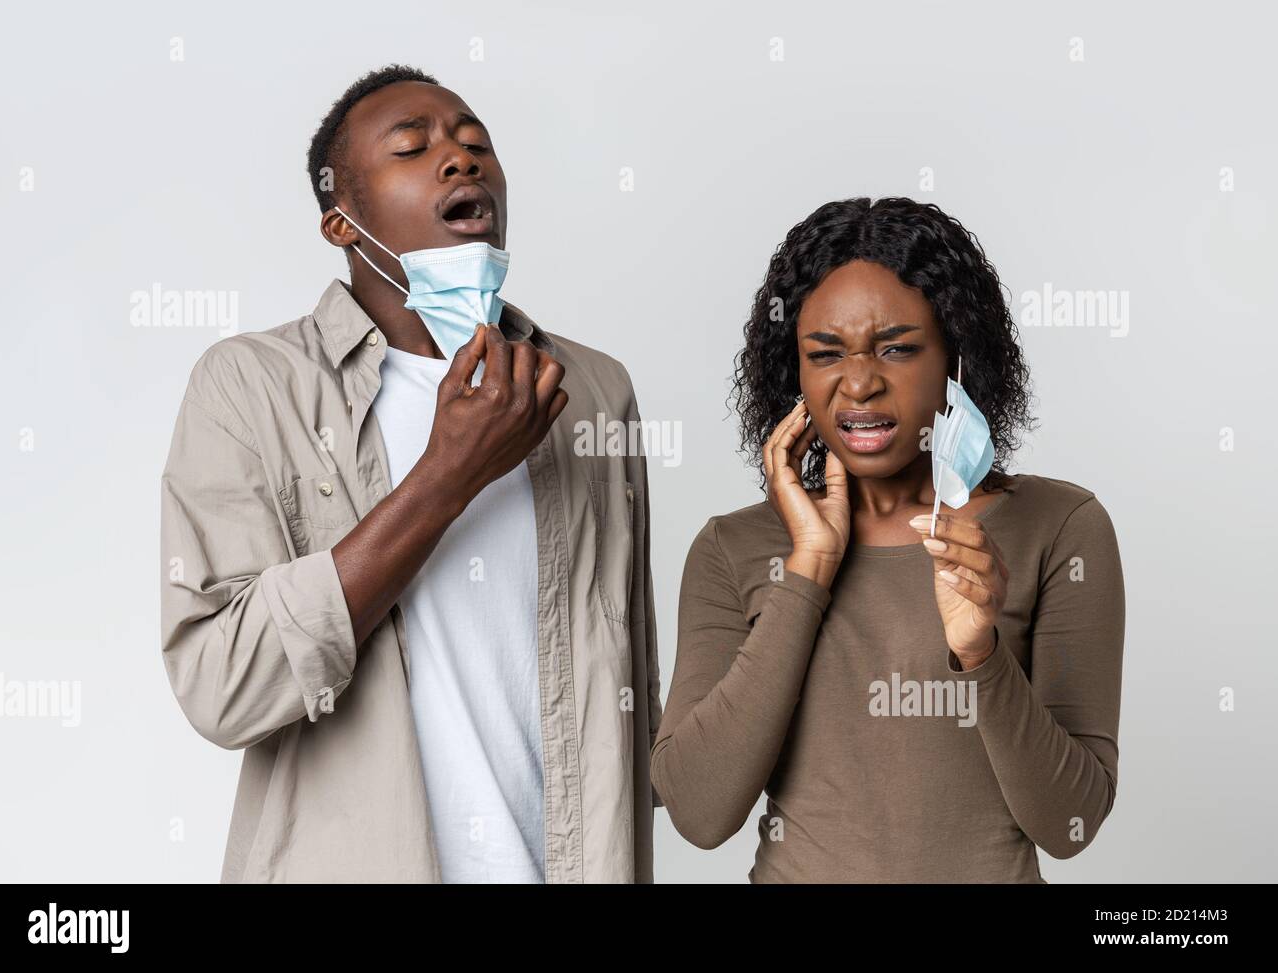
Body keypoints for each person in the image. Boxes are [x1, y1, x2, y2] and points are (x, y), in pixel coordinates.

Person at [160, 65, 661, 883]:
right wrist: (446, 474)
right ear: (341, 222)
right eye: (412, 148)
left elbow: (634, 694)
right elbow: (222, 684)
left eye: (476, 145)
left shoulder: (594, 390)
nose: (461, 161)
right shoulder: (249, 386)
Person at [651, 197, 1125, 883]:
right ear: (795, 375)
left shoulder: (1059, 526)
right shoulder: (735, 547)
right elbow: (697, 811)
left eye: (897, 347)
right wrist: (807, 573)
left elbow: (1070, 823)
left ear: (958, 356)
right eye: (825, 353)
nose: (860, 382)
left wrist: (980, 654)